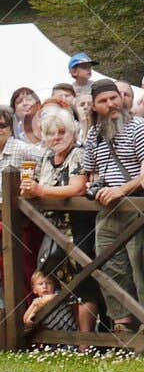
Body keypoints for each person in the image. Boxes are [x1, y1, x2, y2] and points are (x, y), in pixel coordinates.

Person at [85, 77, 144, 335]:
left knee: (141, 269)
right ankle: (124, 325)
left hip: (138, 207)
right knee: (109, 266)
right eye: (103, 101)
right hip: (107, 210)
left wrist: (121, 190)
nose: (111, 104)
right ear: (95, 106)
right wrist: (93, 187)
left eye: (114, 98)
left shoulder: (140, 127)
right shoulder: (94, 134)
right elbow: (90, 171)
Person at [23, 104, 95, 332]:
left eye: (61, 132)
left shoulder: (79, 153)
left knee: (84, 285)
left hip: (77, 229)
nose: (56, 137)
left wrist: (40, 192)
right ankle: (63, 340)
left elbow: (77, 188)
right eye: (51, 133)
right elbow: (33, 185)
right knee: (56, 284)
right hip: (50, 230)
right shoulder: (45, 157)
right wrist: (27, 191)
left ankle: (87, 345)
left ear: (72, 131)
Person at [22, 270, 77, 334]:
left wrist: (34, 312)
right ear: (34, 290)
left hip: (73, 329)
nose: (44, 286)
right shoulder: (36, 302)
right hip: (57, 336)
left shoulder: (58, 294)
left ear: (54, 286)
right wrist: (33, 305)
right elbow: (25, 319)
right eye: (40, 284)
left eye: (48, 283)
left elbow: (48, 299)